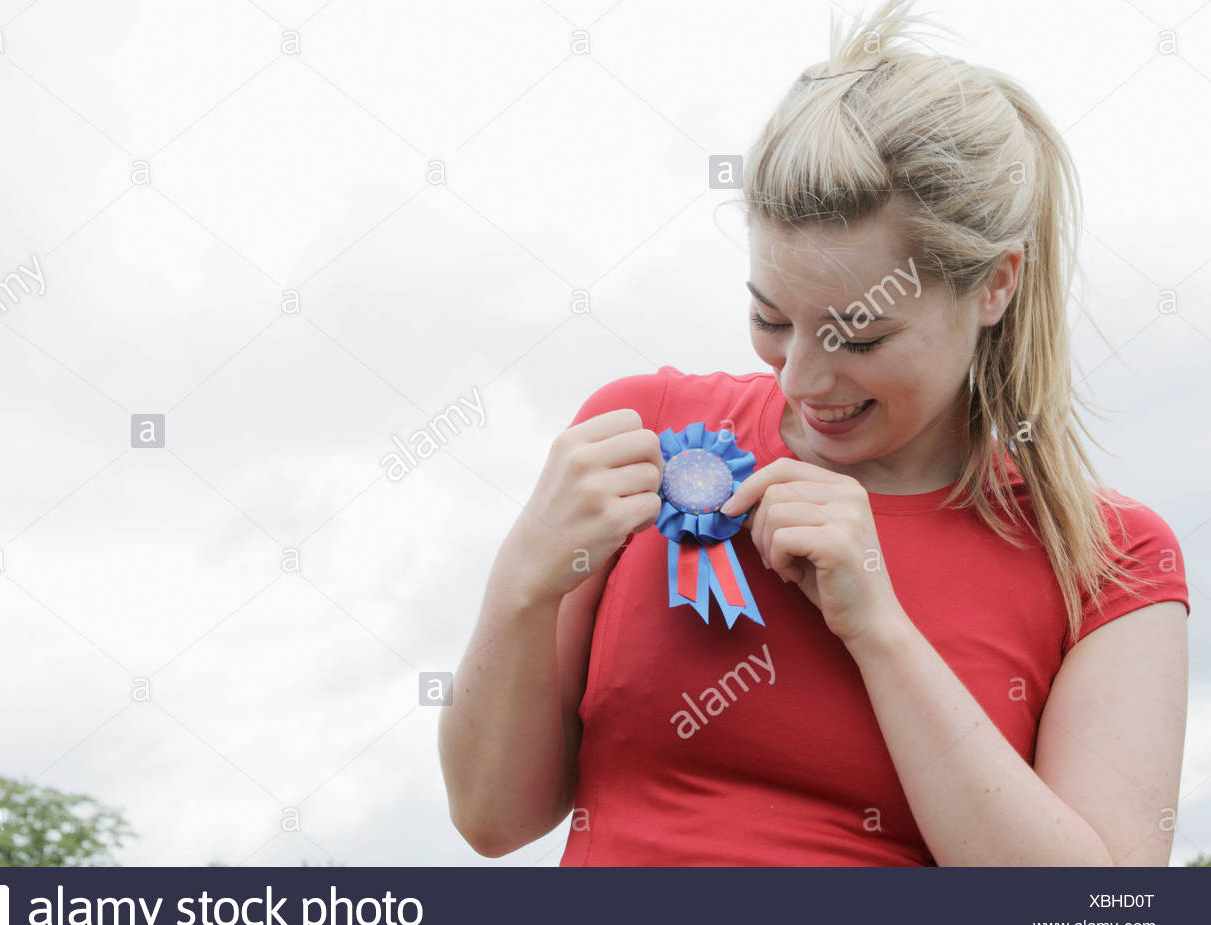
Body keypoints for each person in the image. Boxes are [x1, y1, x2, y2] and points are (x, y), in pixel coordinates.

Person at [437, 0, 1190, 866]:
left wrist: (880, 630)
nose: (798, 381)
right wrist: (523, 582)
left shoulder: (1110, 560)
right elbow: (491, 821)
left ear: (995, 286)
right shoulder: (643, 432)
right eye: (770, 318)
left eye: (859, 337)